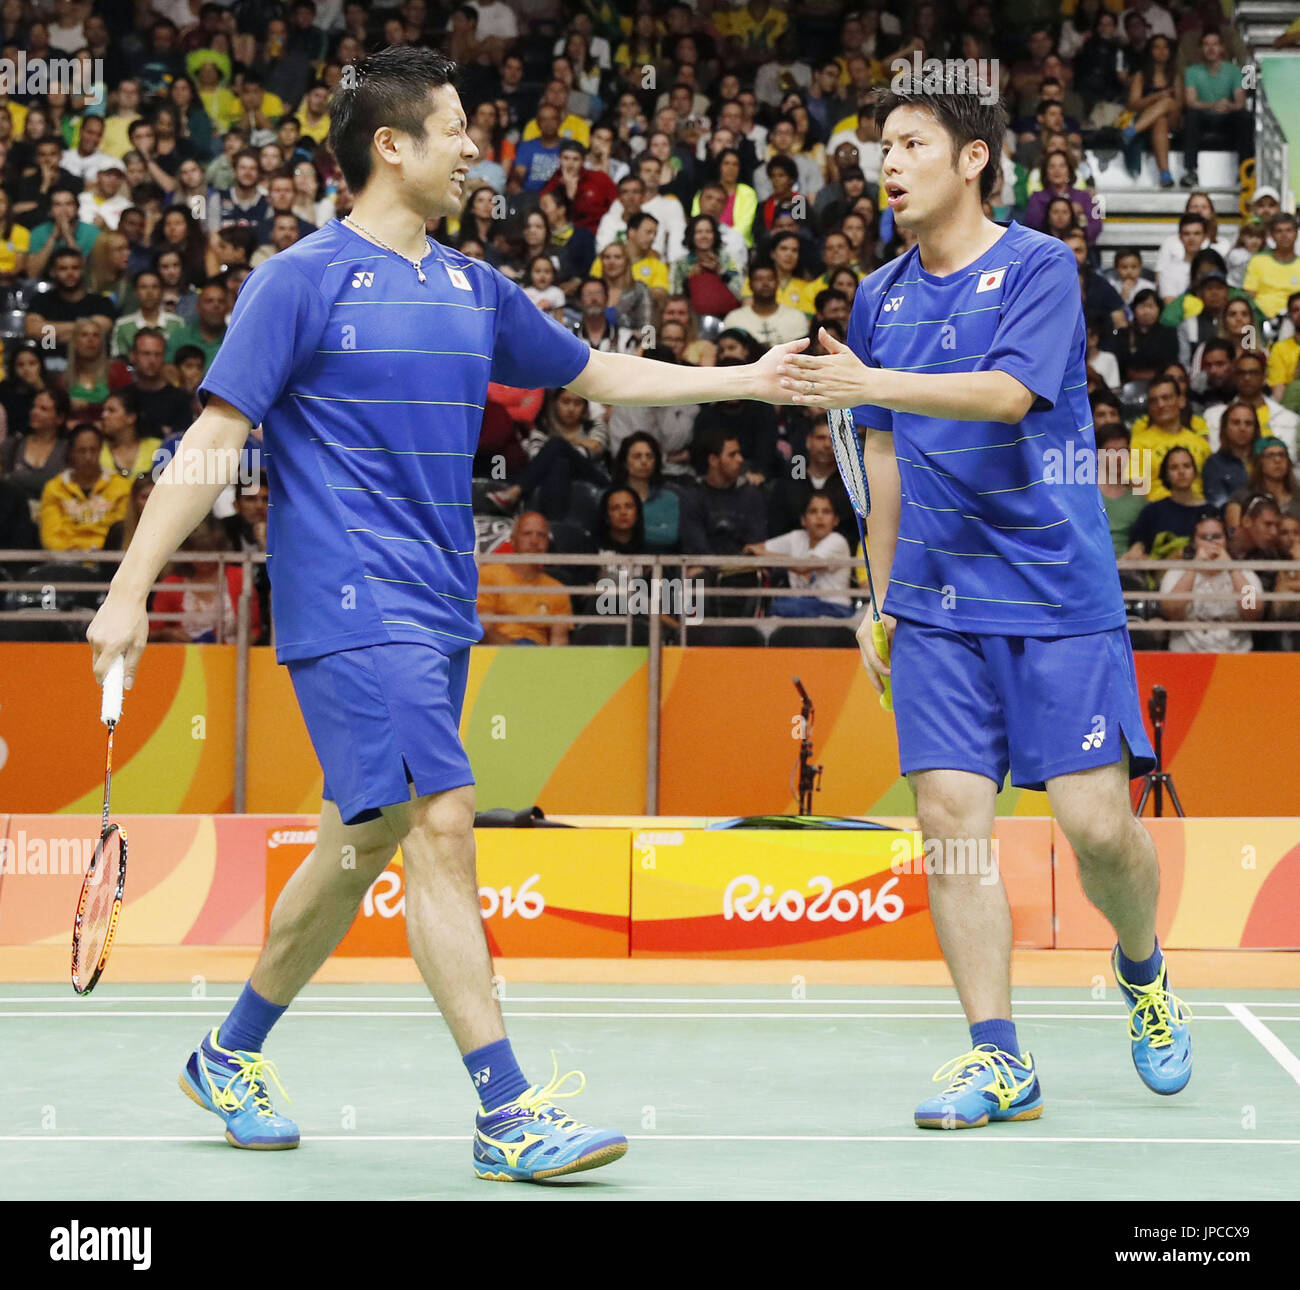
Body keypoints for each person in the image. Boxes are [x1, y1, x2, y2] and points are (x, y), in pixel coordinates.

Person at [86, 47, 807, 1178]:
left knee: (364, 834)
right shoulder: (300, 280)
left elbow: (595, 373)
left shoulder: (474, 287)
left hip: (436, 604)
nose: (476, 148)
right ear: (392, 144)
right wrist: (128, 591)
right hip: (346, 597)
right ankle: (506, 1110)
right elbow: (215, 441)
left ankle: (228, 1053)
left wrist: (746, 380)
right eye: (457, 128)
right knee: (442, 821)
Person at [765, 88, 1189, 1128]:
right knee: (952, 825)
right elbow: (875, 447)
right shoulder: (876, 297)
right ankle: (998, 1058)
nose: (888, 166)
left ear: (974, 160)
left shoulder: (1039, 266)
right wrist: (881, 595)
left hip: (1052, 592)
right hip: (936, 607)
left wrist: (874, 381)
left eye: (911, 146)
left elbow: (1004, 395)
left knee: (1097, 831)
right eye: (880, 150)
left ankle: (1141, 968)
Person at [1159, 512, 1262, 651]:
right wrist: (1194, 567)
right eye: (1204, 538)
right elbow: (1170, 611)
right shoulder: (1177, 573)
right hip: (1187, 658)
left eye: (1216, 537)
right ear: (1194, 542)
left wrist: (1232, 569)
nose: (1211, 543)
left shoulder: (1244, 573)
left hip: (1235, 658)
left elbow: (1252, 612)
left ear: (1226, 540)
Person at [745, 492, 854, 617]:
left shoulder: (837, 540)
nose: (819, 517)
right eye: (813, 511)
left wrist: (764, 556)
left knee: (780, 606)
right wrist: (761, 559)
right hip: (799, 605)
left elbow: (802, 567)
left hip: (835, 608)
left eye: (826, 512)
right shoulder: (796, 537)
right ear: (803, 520)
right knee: (775, 610)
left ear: (835, 521)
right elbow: (753, 549)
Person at [476, 511, 571, 646]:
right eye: (527, 534)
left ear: (547, 543)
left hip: (539, 659)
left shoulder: (557, 589)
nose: (534, 541)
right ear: (513, 540)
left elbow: (559, 642)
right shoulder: (489, 574)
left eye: (541, 535)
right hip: (496, 655)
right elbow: (484, 629)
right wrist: (519, 657)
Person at [39, 424, 131, 551]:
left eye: (93, 450)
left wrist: (99, 552)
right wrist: (71, 551)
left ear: (100, 450)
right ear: (71, 452)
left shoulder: (121, 486)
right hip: (66, 560)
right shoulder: (54, 488)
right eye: (82, 451)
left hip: (107, 560)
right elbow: (50, 536)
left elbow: (120, 533)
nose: (88, 457)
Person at [1180, 30, 1251, 191]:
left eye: (1215, 44)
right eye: (1206, 45)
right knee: (1191, 116)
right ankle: (1190, 171)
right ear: (1200, 49)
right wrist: (1213, 105)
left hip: (1226, 117)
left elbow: (1240, 102)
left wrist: (1228, 105)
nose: (1211, 49)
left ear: (1222, 48)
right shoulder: (1192, 71)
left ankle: (1246, 172)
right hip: (1204, 117)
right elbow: (1191, 102)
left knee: (1244, 117)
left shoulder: (1234, 70)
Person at [1202, 401, 1261, 510]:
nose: (1242, 428)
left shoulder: (1264, 460)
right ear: (1225, 427)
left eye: (1248, 423)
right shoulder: (1214, 464)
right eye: (1236, 423)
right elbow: (1218, 504)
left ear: (1255, 428)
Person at [1243, 212, 1300, 322]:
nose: (1284, 235)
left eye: (1289, 230)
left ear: (1296, 234)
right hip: (1262, 321)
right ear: (1272, 236)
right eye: (1279, 231)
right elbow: (1249, 297)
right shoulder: (1257, 261)